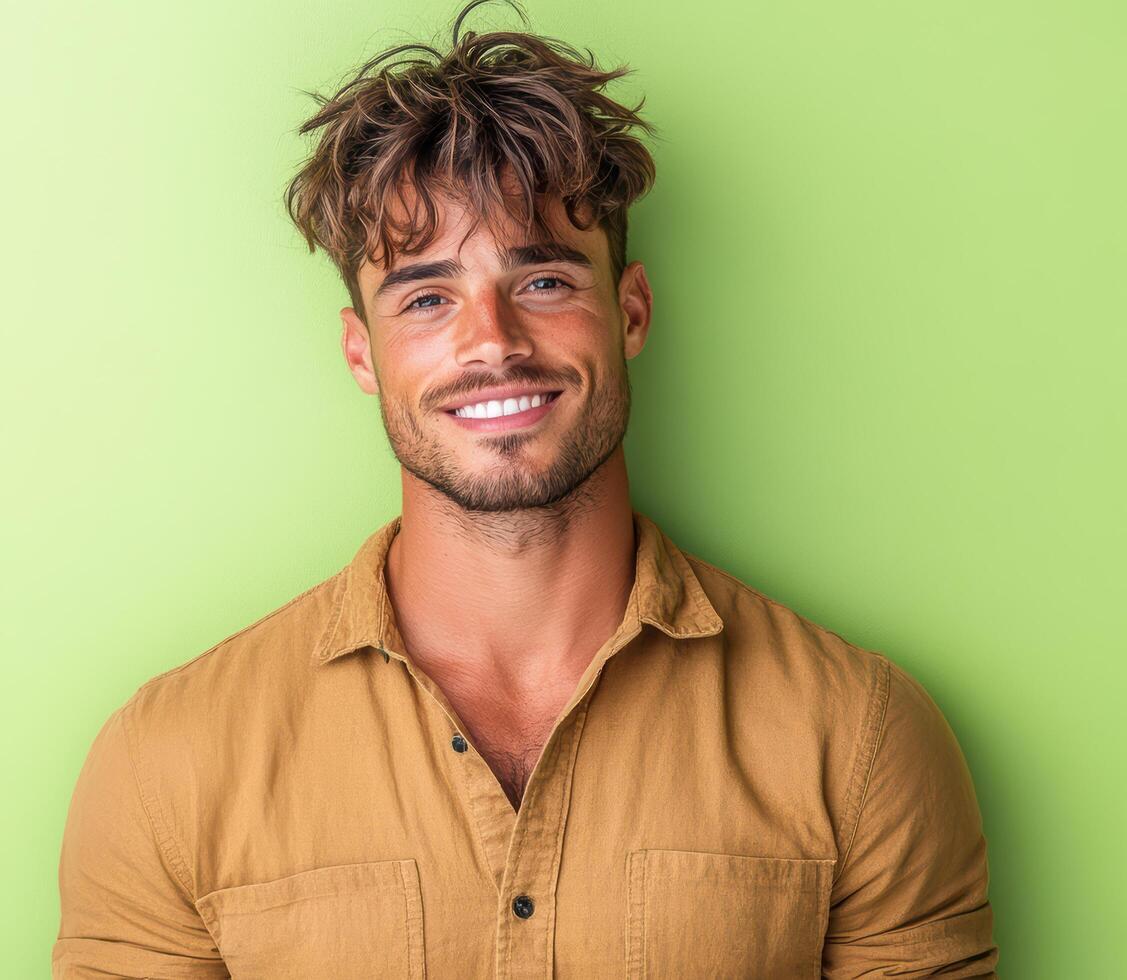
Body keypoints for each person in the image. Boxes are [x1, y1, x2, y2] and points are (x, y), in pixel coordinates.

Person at [51, 2, 998, 976]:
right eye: (427, 297)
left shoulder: (862, 738)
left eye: (543, 280)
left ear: (629, 311)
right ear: (361, 353)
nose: (492, 341)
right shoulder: (168, 762)